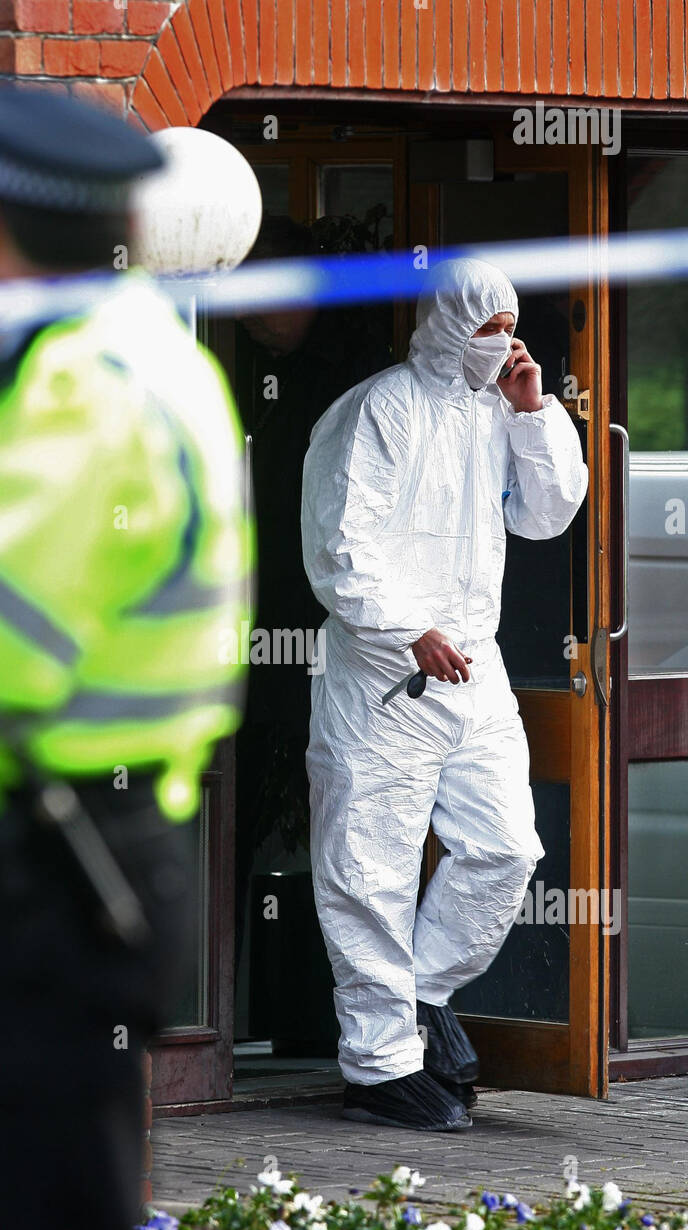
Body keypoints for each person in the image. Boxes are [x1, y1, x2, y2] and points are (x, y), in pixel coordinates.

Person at [0, 83, 251, 1230]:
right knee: (55, 1225)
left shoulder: (82, 392)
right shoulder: (132, 359)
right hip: (91, 852)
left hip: (47, 865)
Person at [301, 257, 588, 1131]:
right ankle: (379, 1067)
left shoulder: (498, 409)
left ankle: (419, 1000)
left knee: (506, 849)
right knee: (370, 864)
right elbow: (340, 547)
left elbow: (548, 512)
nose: (500, 342)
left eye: (509, 325)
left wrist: (534, 411)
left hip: (473, 665)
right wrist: (404, 629)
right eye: (484, 326)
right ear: (445, 324)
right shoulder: (377, 409)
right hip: (385, 675)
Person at [233, 215, 391, 982]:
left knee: (324, 809)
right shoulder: (217, 362)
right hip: (236, 615)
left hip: (314, 623)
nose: (263, 311)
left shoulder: (345, 387)